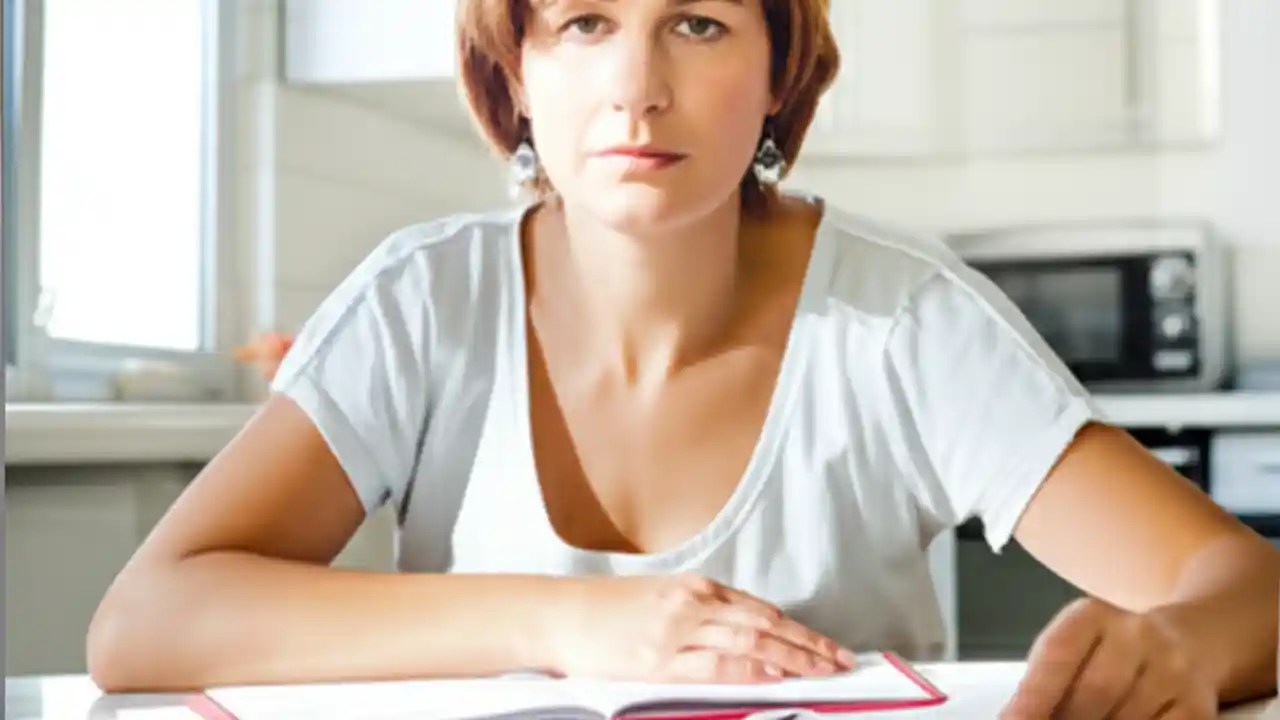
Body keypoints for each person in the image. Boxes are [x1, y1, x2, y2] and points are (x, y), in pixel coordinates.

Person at [87, 0, 1279, 716]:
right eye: (585, 22)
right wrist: (569, 625)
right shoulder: (423, 300)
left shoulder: (903, 320)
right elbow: (146, 620)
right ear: (513, 69)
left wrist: (1167, 649)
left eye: (697, 23)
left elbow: (1245, 587)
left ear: (776, 71)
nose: (636, 90)